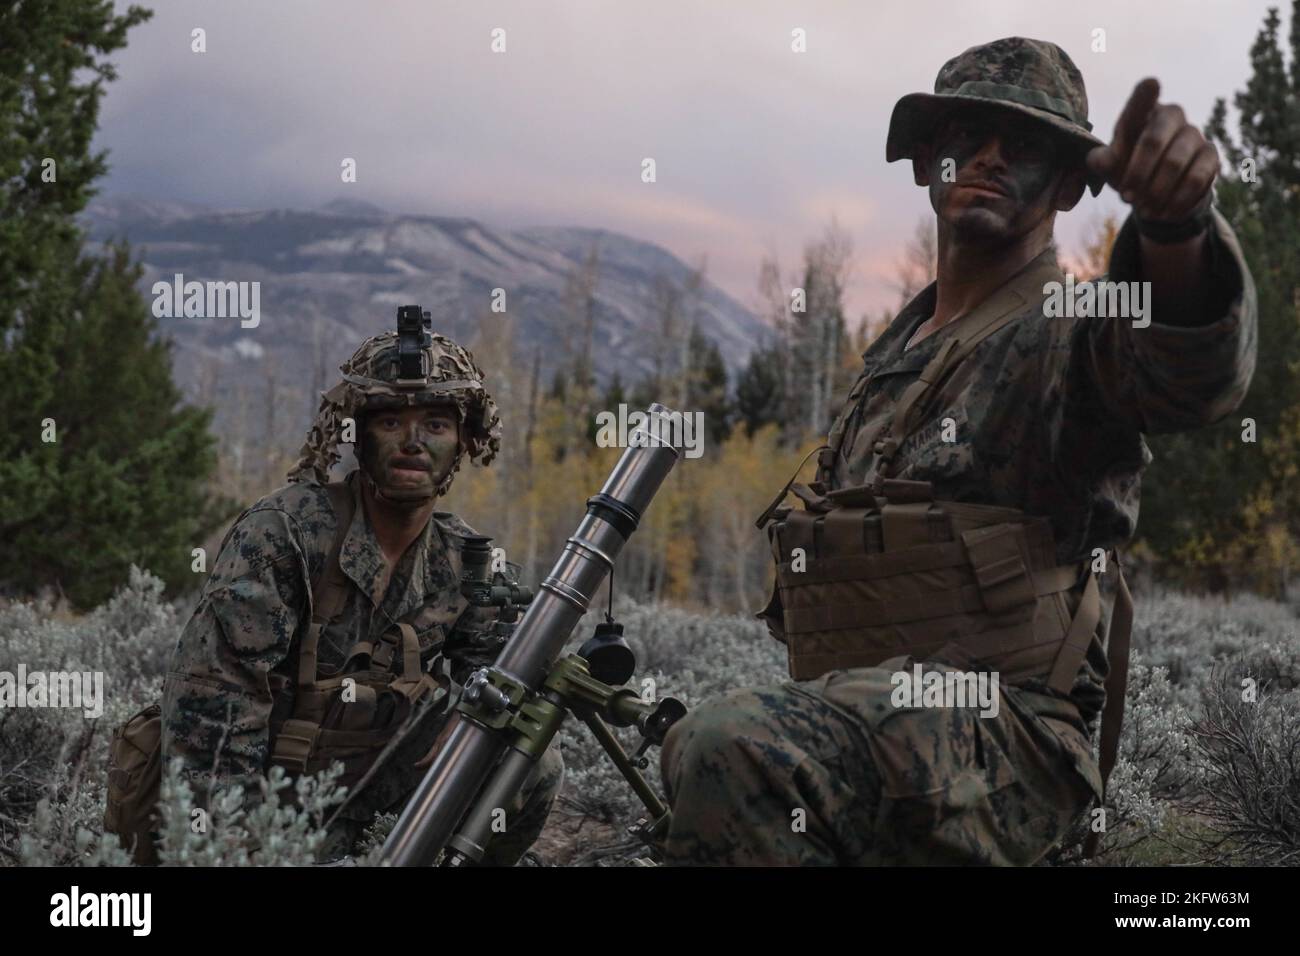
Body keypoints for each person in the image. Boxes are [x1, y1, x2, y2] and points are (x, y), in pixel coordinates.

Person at [659, 37, 1257, 865]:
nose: (988, 158)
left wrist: (1177, 231)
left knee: (736, 748)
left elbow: (1187, 374)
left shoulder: (1068, 330)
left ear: (1068, 182)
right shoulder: (893, 365)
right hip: (876, 725)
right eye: (964, 137)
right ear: (924, 162)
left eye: (1026, 146)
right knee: (687, 746)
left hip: (1010, 735)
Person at [162, 317, 562, 863]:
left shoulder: (467, 558)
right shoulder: (285, 533)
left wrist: (476, 716)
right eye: (391, 421)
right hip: (282, 801)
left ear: (465, 442)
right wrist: (236, 846)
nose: (414, 444)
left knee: (527, 753)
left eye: (437, 425)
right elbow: (212, 709)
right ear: (356, 435)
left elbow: (504, 676)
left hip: (390, 797)